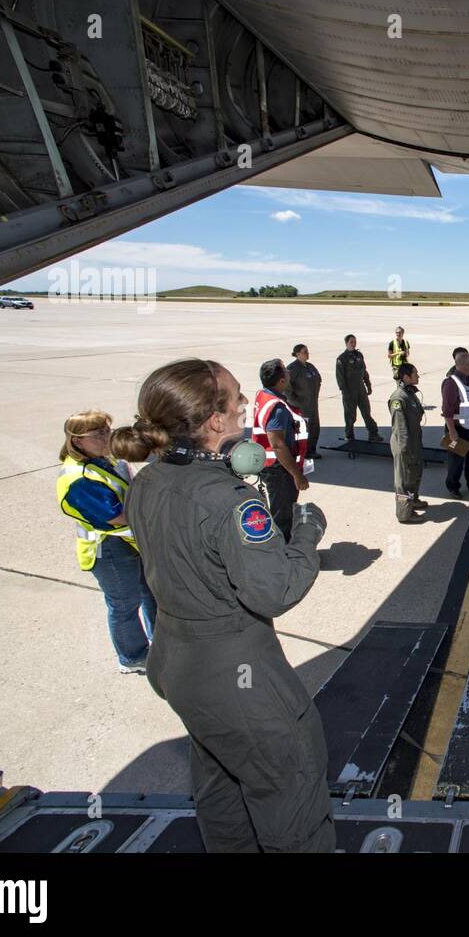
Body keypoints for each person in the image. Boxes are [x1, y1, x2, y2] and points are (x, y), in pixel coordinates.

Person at [113, 358, 334, 853]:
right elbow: (274, 591)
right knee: (291, 785)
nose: (242, 406)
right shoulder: (231, 502)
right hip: (236, 672)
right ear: (214, 421)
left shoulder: (147, 481)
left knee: (221, 782)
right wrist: (306, 534)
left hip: (177, 661)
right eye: (234, 398)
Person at [57, 410, 156, 674]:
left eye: (107, 430)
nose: (107, 436)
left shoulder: (104, 461)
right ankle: (132, 656)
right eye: (98, 433)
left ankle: (160, 644)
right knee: (125, 603)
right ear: (77, 441)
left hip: (130, 544)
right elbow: (116, 516)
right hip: (109, 551)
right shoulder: (78, 479)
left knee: (149, 594)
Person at [252, 358, 311, 542]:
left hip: (275, 467)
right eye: (285, 371)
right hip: (279, 470)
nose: (288, 372)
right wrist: (297, 475)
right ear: (281, 382)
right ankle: (282, 555)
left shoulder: (264, 395)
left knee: (282, 512)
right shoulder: (276, 408)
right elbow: (277, 444)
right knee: (283, 516)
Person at [442, 350, 469, 498]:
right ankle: (453, 487)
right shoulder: (451, 383)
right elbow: (447, 411)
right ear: (463, 365)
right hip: (458, 430)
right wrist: (452, 431)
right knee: (456, 463)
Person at [389, 363, 428, 523]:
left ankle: (413, 501)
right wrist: (406, 450)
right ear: (406, 377)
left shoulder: (410, 393)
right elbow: (400, 428)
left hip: (414, 441)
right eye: (415, 373)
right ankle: (405, 514)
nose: (418, 376)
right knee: (404, 480)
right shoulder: (398, 398)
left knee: (415, 473)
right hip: (405, 445)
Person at [336, 334, 382, 444]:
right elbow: (340, 377)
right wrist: (345, 392)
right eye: (351, 342)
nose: (353, 343)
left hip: (360, 389)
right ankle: (349, 436)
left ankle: (373, 433)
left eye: (354, 341)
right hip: (349, 391)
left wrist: (368, 385)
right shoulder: (342, 358)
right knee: (350, 415)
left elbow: (364, 372)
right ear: (346, 343)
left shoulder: (359, 355)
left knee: (366, 412)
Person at [287, 344, 323, 458]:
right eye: (305, 352)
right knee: (303, 429)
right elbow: (286, 387)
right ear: (297, 354)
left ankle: (311, 450)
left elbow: (318, 379)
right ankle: (301, 452)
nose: (307, 353)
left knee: (314, 427)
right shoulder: (293, 369)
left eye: (307, 351)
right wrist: (294, 400)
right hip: (301, 406)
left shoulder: (310, 367)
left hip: (312, 404)